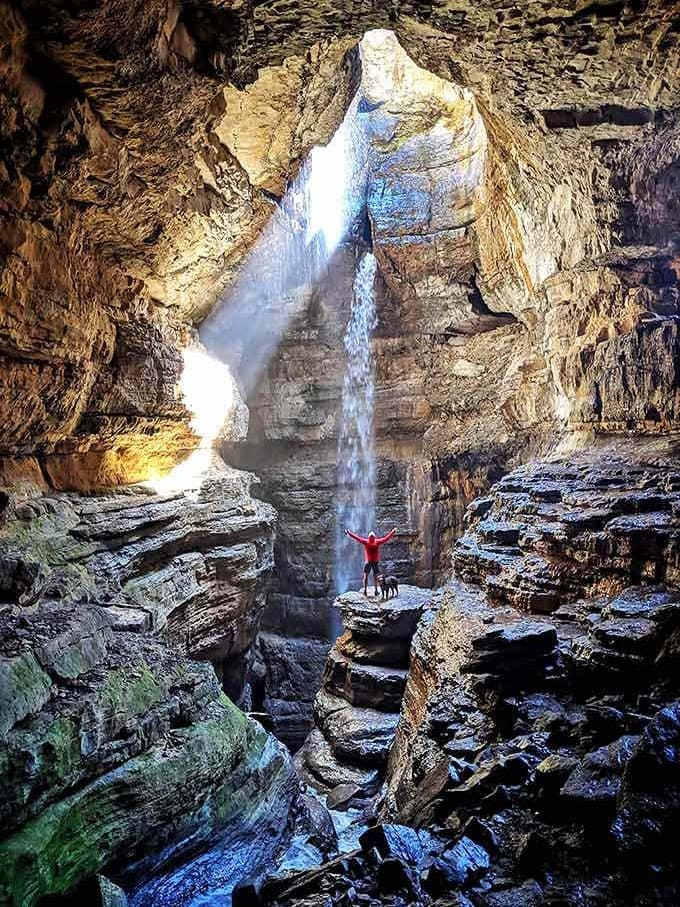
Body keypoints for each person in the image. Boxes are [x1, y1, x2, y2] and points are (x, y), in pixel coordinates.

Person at [344, 526, 397, 597]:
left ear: (369, 537)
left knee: (365, 576)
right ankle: (376, 590)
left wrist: (349, 533)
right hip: (375, 562)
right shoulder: (377, 542)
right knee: (376, 577)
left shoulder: (366, 541)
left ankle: (365, 590)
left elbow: (357, 538)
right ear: (374, 537)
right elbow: (386, 538)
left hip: (368, 562)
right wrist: (393, 532)